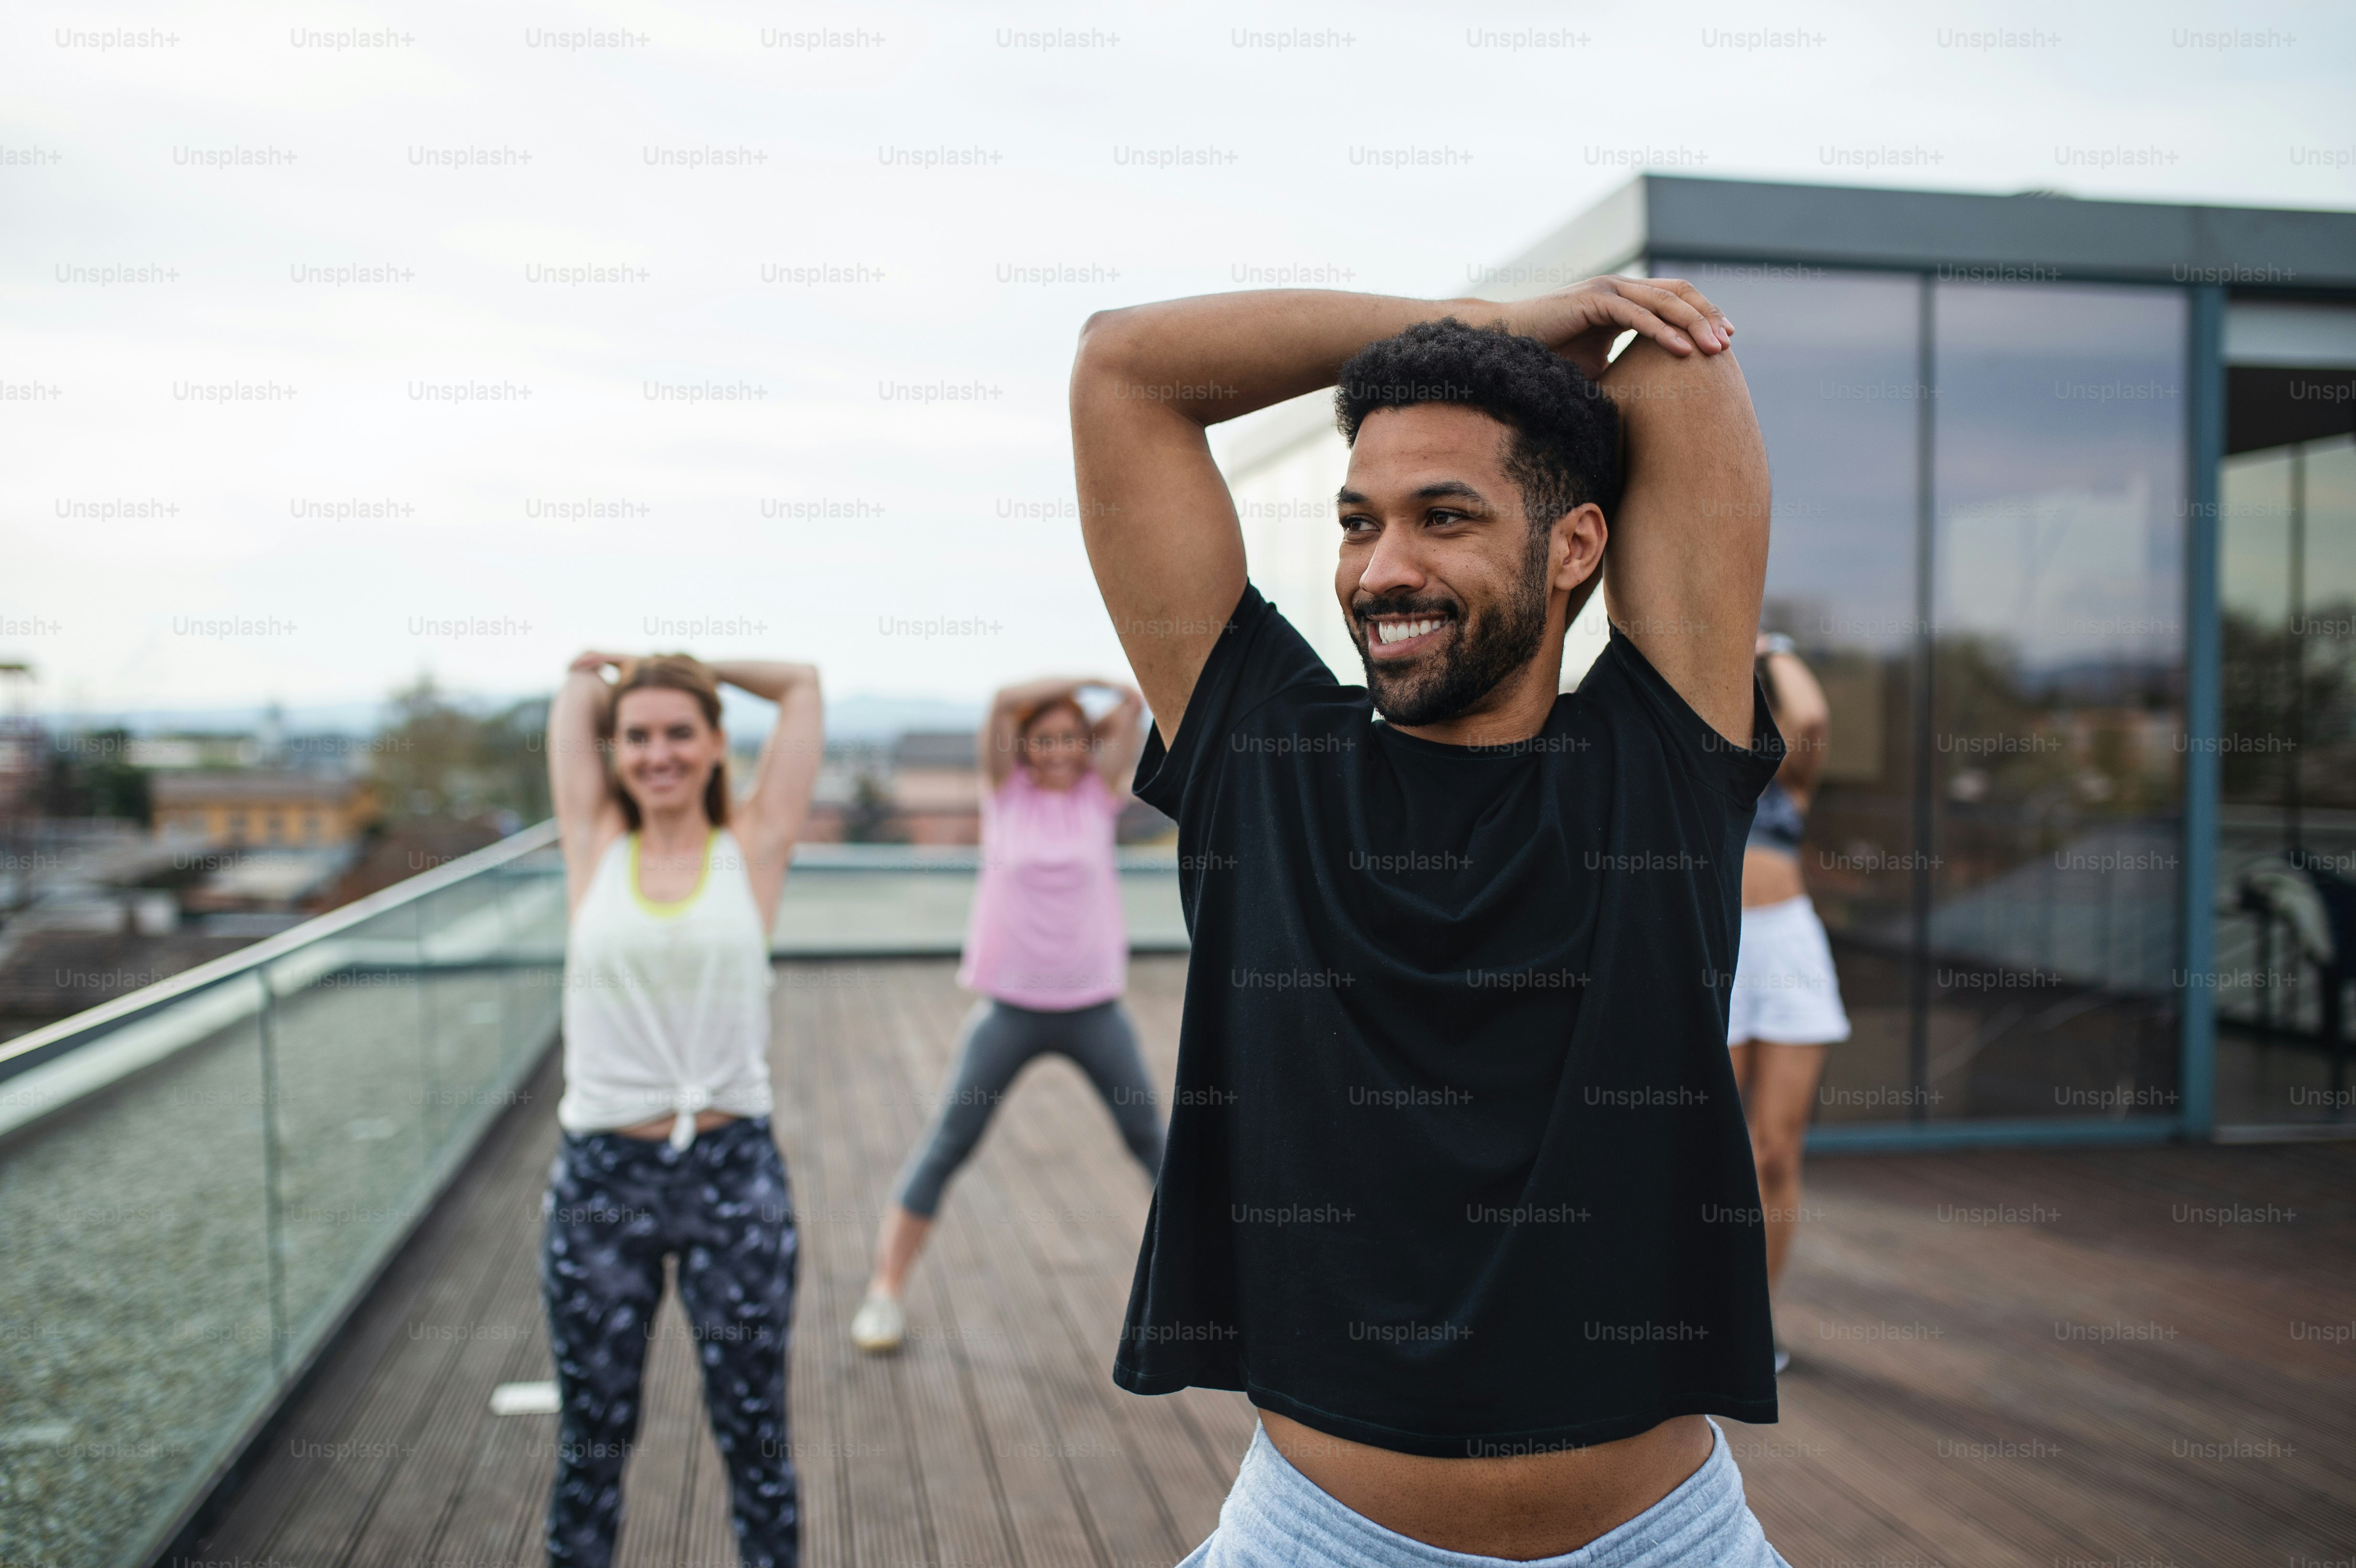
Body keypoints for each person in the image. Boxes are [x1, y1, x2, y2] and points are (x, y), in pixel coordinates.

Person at [1071, 276, 1791, 1564]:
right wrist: (1487, 325)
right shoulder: (1261, 755)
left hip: (1665, 1544)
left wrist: (1505, 363)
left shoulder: (1660, 758)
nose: (1382, 569)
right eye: (1359, 523)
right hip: (1318, 1542)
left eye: (1443, 517)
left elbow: (1678, 371)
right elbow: (1124, 368)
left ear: (1577, 547)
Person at [541, 650, 822, 1568]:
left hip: (732, 1175)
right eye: (637, 735)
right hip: (602, 1180)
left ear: (712, 746)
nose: (657, 753)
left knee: (756, 1441)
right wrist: (608, 671)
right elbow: (577, 685)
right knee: (593, 1442)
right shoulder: (592, 841)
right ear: (613, 749)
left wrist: (682, 661)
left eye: (678, 733)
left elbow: (802, 684)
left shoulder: (754, 845)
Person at [850, 677, 1165, 1353]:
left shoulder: (1096, 794)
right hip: (1011, 1010)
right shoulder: (1006, 793)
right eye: (1043, 739)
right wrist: (1077, 687)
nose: (1056, 752)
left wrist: (1104, 703)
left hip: (1093, 1008)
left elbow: (1132, 711)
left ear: (1086, 745)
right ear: (1023, 748)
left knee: (1154, 1143)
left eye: (1069, 739)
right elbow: (999, 703)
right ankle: (883, 1293)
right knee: (947, 1145)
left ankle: (1226, 1285)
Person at [1728, 632, 1849, 1375]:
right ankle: (1697, 1316)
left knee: (1775, 1151)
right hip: (1719, 951)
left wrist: (1768, 645)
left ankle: (1755, 1326)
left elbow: (1809, 716)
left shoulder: (1786, 781)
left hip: (1789, 951)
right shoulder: (1695, 770)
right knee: (1715, 1152)